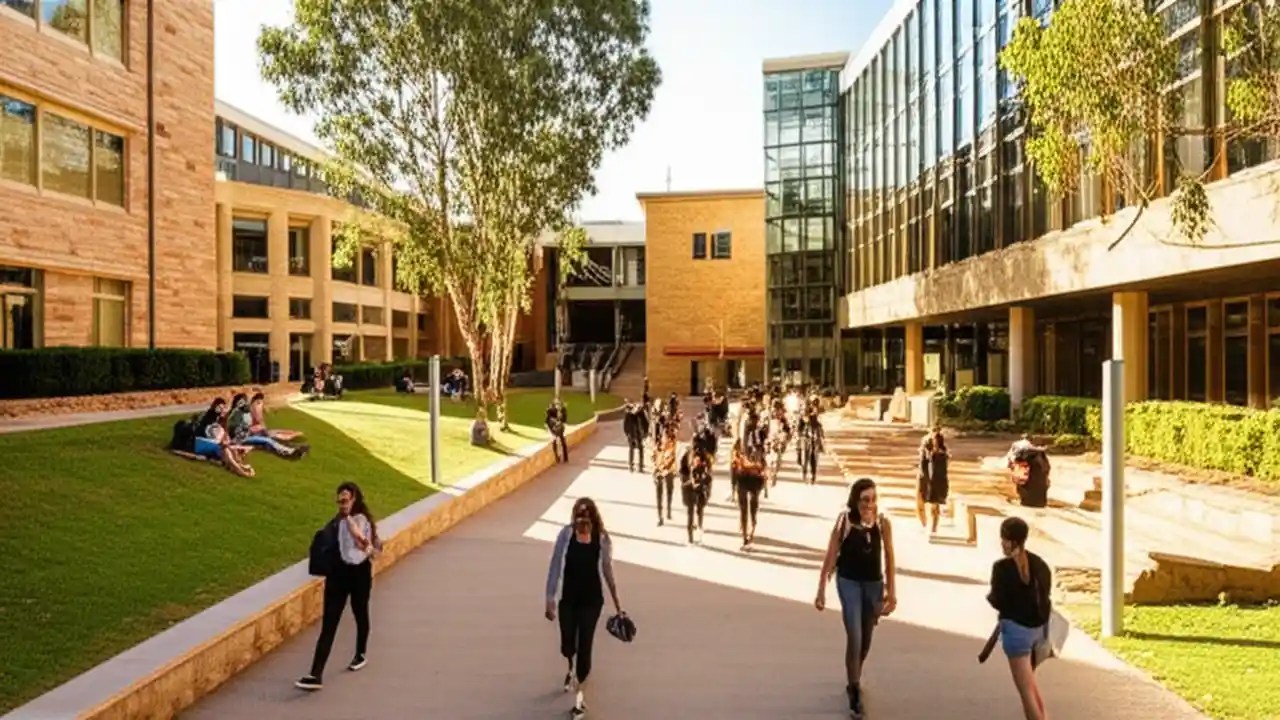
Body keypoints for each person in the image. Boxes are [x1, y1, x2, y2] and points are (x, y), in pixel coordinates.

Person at [815, 477, 898, 719]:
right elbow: (831, 555)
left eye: (873, 499)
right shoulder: (845, 521)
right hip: (848, 582)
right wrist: (821, 588)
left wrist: (891, 592)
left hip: (873, 585)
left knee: (866, 640)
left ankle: (855, 674)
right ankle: (854, 689)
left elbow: (890, 558)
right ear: (855, 500)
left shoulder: (883, 523)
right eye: (864, 500)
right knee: (855, 634)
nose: (869, 504)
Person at [296, 481, 380, 691]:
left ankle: (360, 653)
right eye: (339, 500)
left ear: (354, 500)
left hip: (359, 576)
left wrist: (355, 531)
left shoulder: (362, 521)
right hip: (337, 577)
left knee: (360, 613)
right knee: (329, 625)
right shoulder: (335, 523)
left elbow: (371, 549)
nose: (341, 504)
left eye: (345, 500)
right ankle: (315, 674)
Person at [545, 498, 624, 719]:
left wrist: (618, 605)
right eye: (579, 518)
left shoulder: (602, 539)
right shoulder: (566, 535)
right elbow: (555, 565)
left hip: (591, 602)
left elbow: (608, 572)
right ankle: (570, 668)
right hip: (568, 600)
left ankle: (580, 700)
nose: (583, 524)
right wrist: (550, 597)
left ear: (593, 519)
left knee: (585, 645)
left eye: (587, 519)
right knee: (567, 644)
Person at [987, 517, 1053, 720]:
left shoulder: (1002, 568)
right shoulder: (1039, 563)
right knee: (1031, 685)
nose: (1001, 544)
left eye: (1003, 539)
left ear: (1011, 541)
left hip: (1016, 633)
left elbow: (998, 599)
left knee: (1026, 692)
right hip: (1039, 630)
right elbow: (1046, 592)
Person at [731, 408, 769, 550]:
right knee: (743, 508)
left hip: (755, 475)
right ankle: (745, 536)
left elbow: (765, 453)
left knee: (753, 505)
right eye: (747, 421)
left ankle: (751, 528)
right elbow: (734, 461)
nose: (749, 424)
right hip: (742, 475)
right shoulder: (739, 441)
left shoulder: (760, 434)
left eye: (752, 421)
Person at [680, 423, 716, 544]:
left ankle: (695, 531)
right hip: (692, 487)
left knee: (695, 510)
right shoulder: (693, 456)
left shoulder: (700, 457)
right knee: (695, 511)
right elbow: (682, 471)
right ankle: (694, 532)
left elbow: (708, 473)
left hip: (696, 487)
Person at [918, 427, 950, 534]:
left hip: (937, 483)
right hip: (926, 480)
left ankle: (933, 527)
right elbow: (922, 466)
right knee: (922, 503)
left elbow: (943, 471)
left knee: (935, 506)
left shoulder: (942, 454)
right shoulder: (927, 450)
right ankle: (925, 523)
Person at [651, 416, 678, 526]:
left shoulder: (672, 445)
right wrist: (655, 468)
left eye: (665, 436)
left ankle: (669, 510)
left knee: (670, 491)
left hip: (669, 471)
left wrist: (666, 469)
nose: (664, 439)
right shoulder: (658, 446)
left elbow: (672, 459)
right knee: (659, 494)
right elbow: (652, 457)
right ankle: (660, 516)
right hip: (658, 472)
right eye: (663, 437)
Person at [622, 400, 649, 473]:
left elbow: (646, 423)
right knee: (633, 449)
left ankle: (638, 466)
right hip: (633, 434)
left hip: (638, 434)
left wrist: (645, 433)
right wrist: (627, 433)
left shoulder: (640, 413)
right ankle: (632, 465)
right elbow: (625, 425)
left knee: (638, 449)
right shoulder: (629, 414)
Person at [546, 398, 569, 463]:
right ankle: (557, 456)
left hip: (560, 428)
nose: (557, 405)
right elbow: (548, 419)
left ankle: (565, 458)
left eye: (558, 404)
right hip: (553, 428)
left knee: (563, 441)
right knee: (554, 440)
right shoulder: (551, 410)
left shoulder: (562, 411)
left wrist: (561, 420)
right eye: (556, 404)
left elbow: (564, 420)